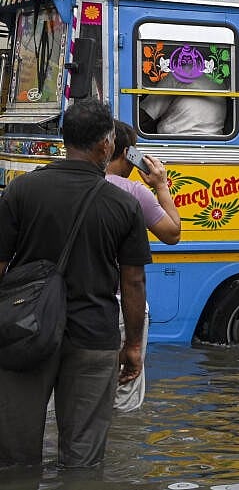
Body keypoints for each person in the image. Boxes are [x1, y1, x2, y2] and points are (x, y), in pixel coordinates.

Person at [0, 99, 151, 469]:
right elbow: (133, 282)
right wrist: (133, 346)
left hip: (24, 334)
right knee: (83, 461)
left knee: (14, 458)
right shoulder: (123, 204)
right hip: (93, 338)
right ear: (106, 145)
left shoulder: (22, 190)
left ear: (65, 139)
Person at [106, 121, 182, 412]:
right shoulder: (134, 192)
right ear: (128, 153)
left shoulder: (67, 185)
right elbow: (172, 233)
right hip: (120, 307)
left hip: (72, 306)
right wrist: (161, 185)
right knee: (122, 396)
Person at [140, 95, 227, 136]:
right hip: (215, 140)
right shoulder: (219, 80)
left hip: (174, 139)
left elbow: (146, 114)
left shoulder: (178, 76)